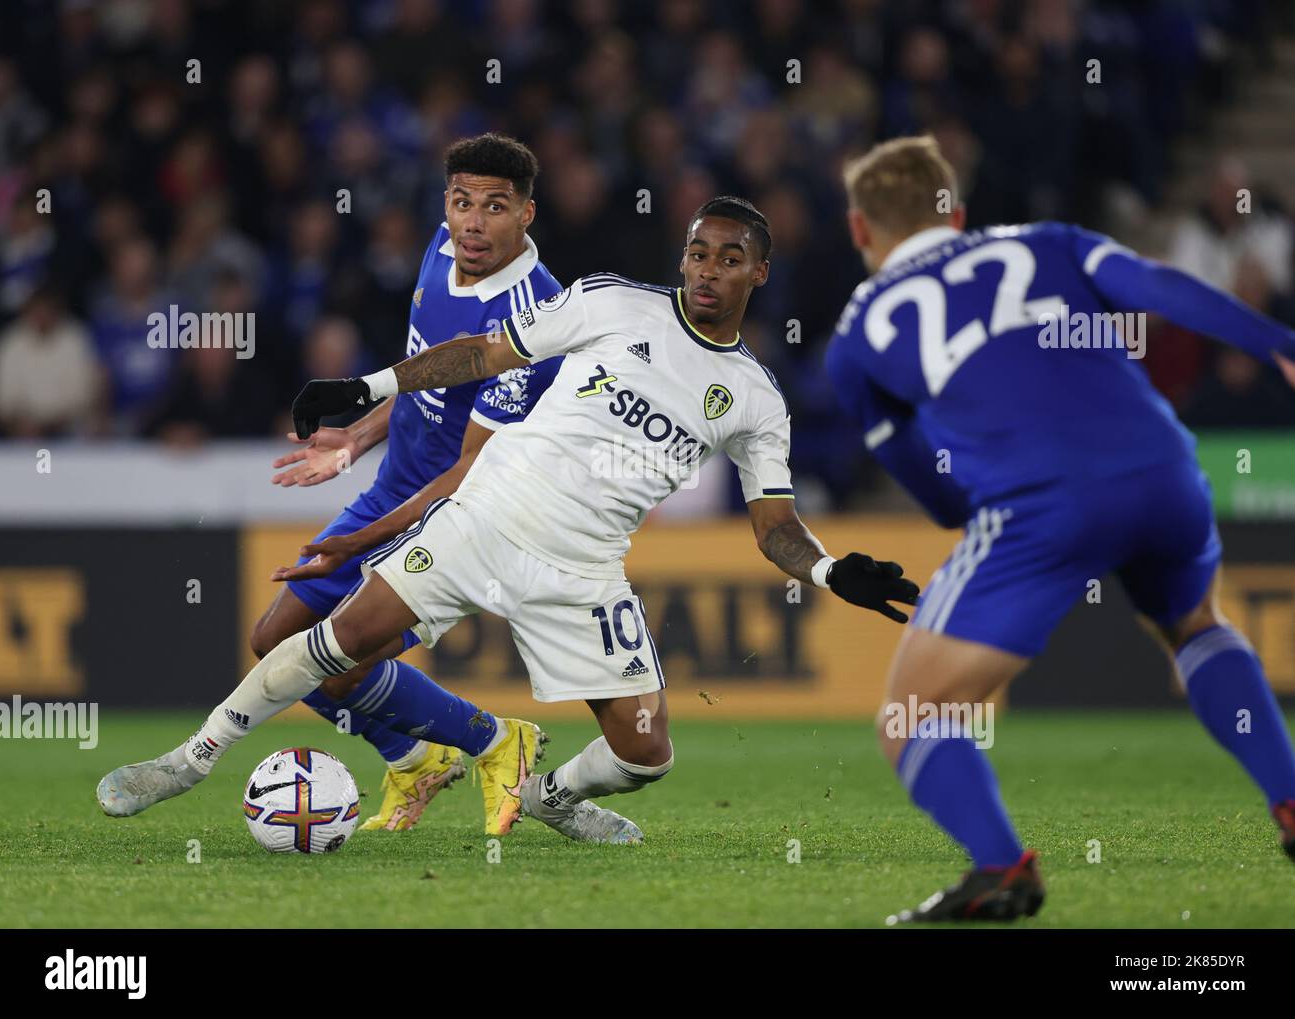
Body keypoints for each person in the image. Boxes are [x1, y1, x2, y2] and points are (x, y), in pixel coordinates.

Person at [97, 195, 920, 845]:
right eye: (699, 252)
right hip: (490, 509)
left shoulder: (754, 399)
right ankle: (188, 759)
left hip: (585, 566)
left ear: (761, 273)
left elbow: (773, 524)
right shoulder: (607, 302)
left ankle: (549, 796)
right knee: (333, 647)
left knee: (647, 753)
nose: (708, 271)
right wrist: (371, 389)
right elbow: (483, 354)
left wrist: (827, 569)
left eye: (730, 259)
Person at [825, 135, 1295, 922]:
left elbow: (934, 491)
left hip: (1043, 504)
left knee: (913, 715)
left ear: (860, 231)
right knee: (1196, 626)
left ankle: (1002, 867)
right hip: (1166, 469)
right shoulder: (1048, 242)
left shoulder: (857, 339)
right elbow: (1159, 285)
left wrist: (977, 504)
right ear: (959, 213)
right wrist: (1277, 342)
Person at [101, 133, 564, 837]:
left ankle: (497, 739)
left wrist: (358, 539)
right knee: (273, 638)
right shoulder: (442, 248)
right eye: (462, 201)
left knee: (337, 667)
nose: (473, 221)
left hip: (464, 514)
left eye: (494, 207)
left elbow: (473, 468)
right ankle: (413, 756)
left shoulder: (533, 320)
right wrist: (356, 436)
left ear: (527, 214)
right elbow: (423, 375)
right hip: (396, 487)